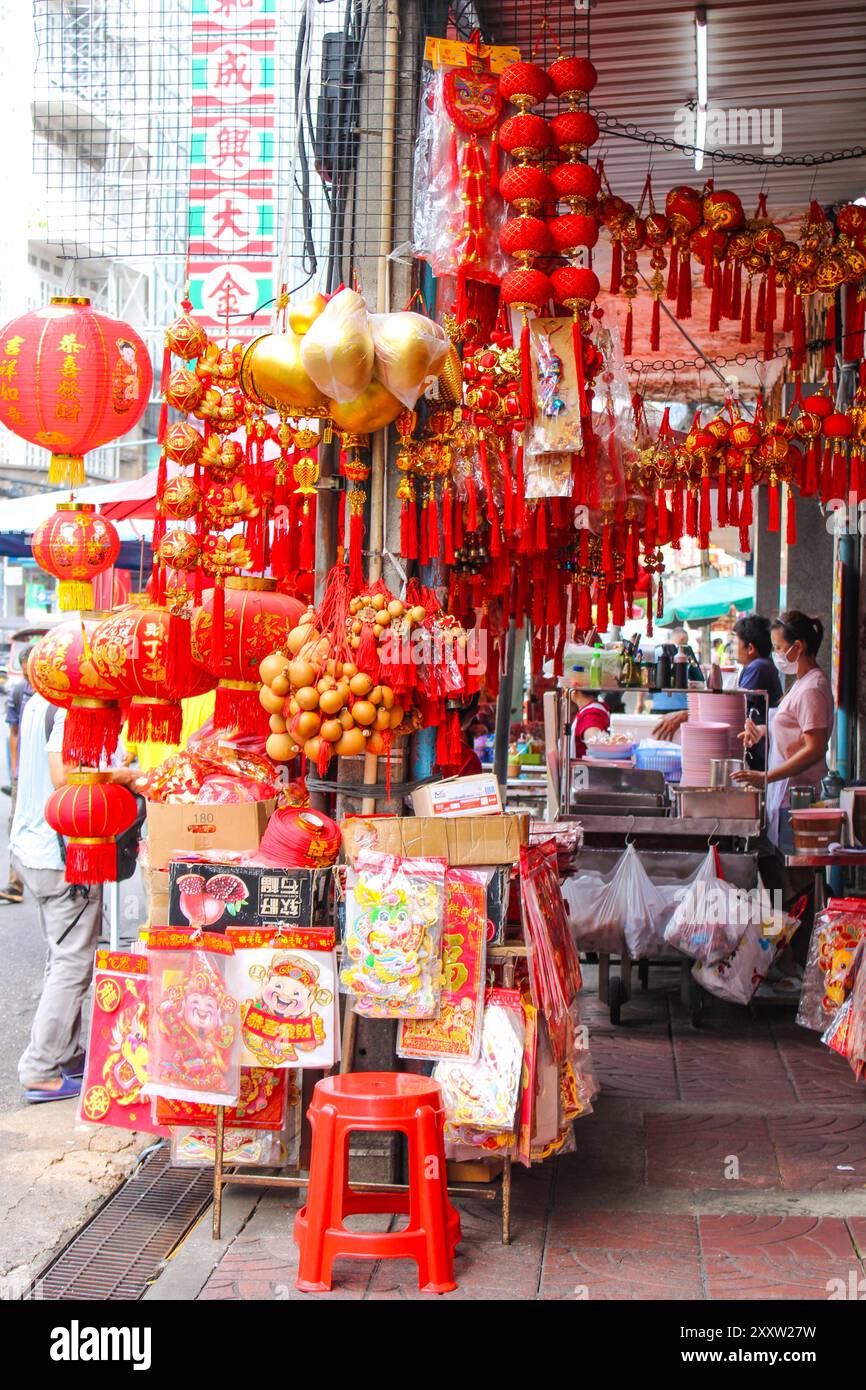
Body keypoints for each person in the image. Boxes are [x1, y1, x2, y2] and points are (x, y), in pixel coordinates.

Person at [13, 672, 140, 1103]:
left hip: (33, 847)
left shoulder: (37, 703)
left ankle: (66, 1054)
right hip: (66, 852)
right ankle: (41, 1067)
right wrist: (124, 776)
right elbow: (65, 774)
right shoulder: (76, 711)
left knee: (61, 954)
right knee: (72, 963)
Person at [731, 611, 834, 833]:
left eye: (778, 648)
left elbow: (814, 748)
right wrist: (763, 730)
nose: (776, 654)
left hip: (799, 796)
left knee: (797, 865)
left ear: (798, 647)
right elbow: (796, 727)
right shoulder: (801, 682)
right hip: (786, 791)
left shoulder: (812, 689)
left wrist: (766, 777)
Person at [0, 642, 35, 905]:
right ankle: (15, 884)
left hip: (49, 767)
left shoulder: (53, 690)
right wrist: (15, 768)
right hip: (23, 769)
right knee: (17, 822)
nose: (29, 678)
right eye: (25, 674)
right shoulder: (16, 692)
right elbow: (14, 733)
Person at [570, 689, 611, 758]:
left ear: (574, 691)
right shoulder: (590, 709)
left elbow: (597, 745)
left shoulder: (591, 715)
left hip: (585, 768)